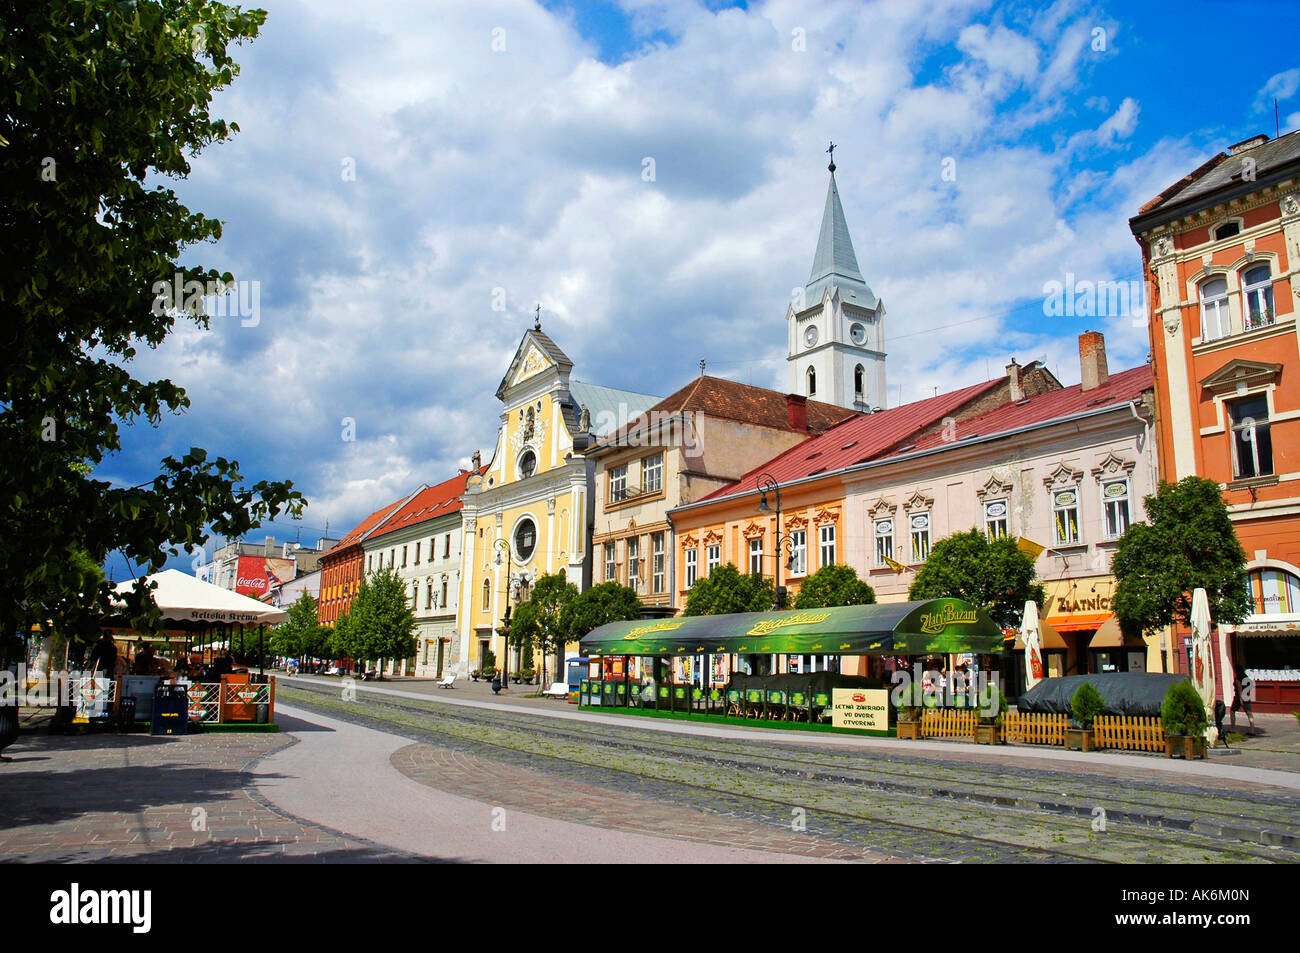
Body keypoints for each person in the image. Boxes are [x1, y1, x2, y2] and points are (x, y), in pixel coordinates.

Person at [1230, 666, 1256, 736]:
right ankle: (1252, 730)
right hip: (1246, 696)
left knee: (1232, 711)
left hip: (1239, 697)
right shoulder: (1246, 677)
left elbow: (1239, 688)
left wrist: (1241, 699)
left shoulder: (1238, 678)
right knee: (1249, 713)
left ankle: (1233, 728)